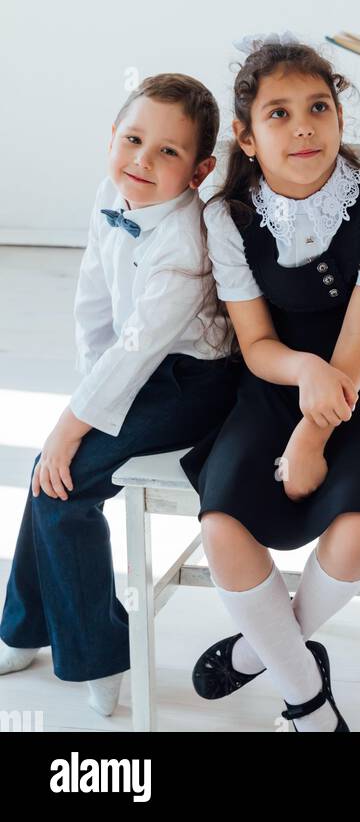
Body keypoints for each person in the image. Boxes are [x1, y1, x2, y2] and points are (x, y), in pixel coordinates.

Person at [179, 33, 360, 733]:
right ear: (247, 136)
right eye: (280, 114)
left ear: (340, 120)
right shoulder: (228, 220)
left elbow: (358, 344)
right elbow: (257, 344)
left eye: (318, 108)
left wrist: (312, 434)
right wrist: (302, 373)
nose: (303, 127)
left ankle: (260, 650)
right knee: (223, 525)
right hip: (271, 385)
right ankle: (309, 703)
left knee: (359, 528)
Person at [0, 73, 240, 715]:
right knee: (46, 471)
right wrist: (83, 399)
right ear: (112, 138)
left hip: (195, 380)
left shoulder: (186, 246)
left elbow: (140, 345)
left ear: (199, 170)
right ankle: (23, 627)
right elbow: (95, 309)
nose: (142, 159)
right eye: (133, 139)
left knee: (65, 479)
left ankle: (101, 657)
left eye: (168, 152)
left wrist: (72, 427)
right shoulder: (114, 195)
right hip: (138, 366)